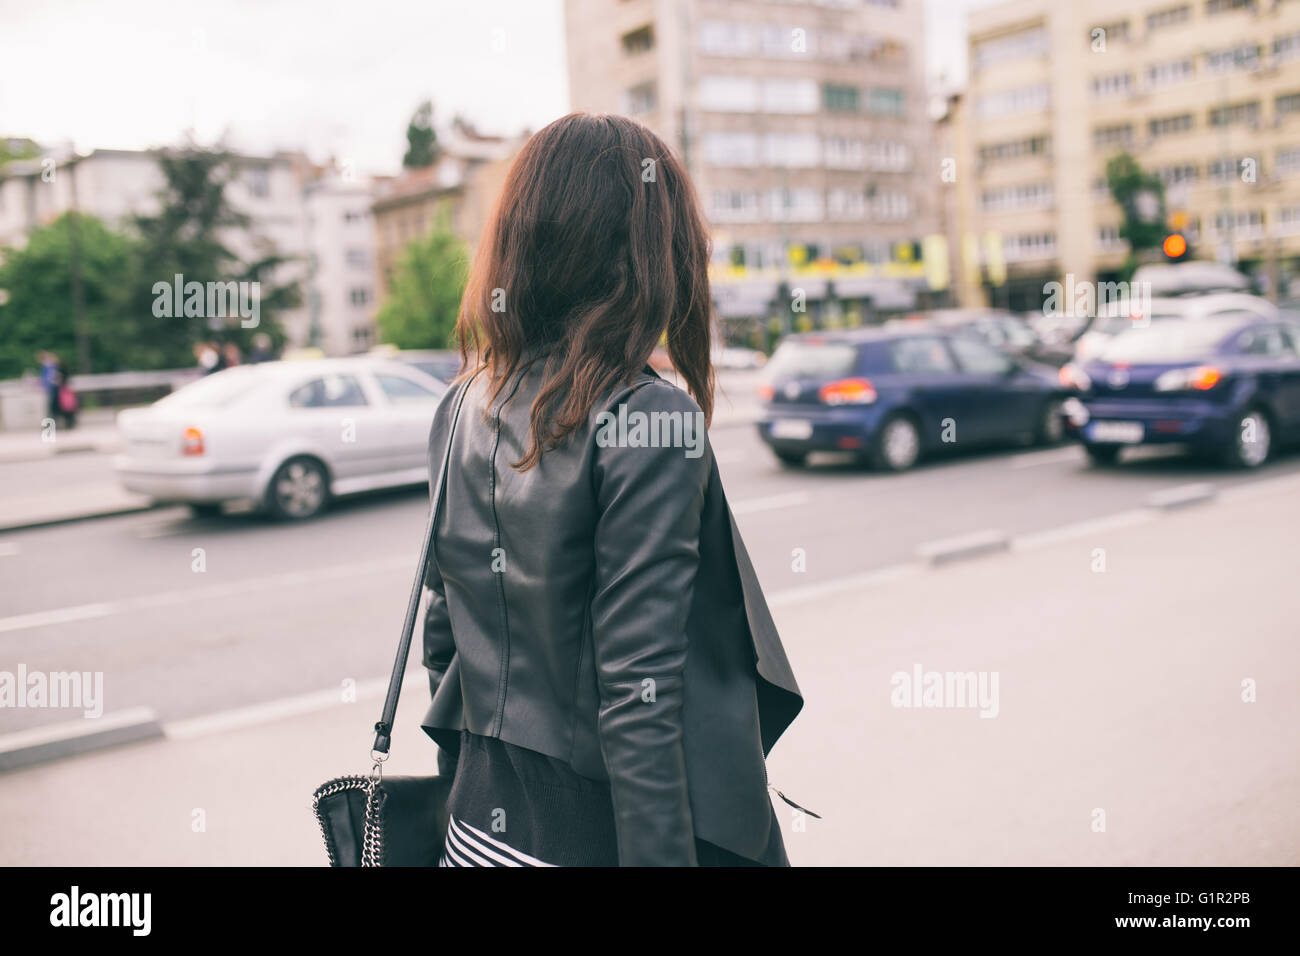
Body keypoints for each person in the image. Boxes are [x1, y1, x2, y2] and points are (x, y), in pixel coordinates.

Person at [420, 113, 805, 867]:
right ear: (647, 249)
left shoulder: (464, 400)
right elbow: (640, 694)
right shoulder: (647, 416)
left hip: (477, 828)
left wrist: (463, 799)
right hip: (596, 837)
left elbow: (447, 632)